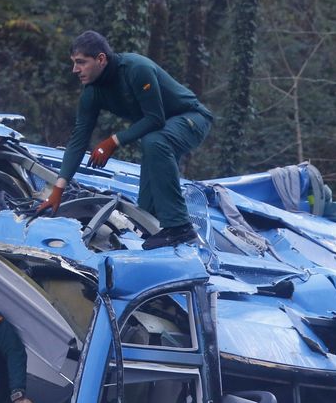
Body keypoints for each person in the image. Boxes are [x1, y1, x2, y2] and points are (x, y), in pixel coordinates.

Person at [38, 30, 213, 249]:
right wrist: (58, 190)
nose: (75, 70)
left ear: (101, 59)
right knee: (146, 210)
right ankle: (165, 236)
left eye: (81, 62)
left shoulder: (136, 69)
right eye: (74, 63)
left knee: (153, 141)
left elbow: (155, 118)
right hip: (159, 134)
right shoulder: (92, 93)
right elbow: (78, 140)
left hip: (192, 119)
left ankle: (180, 227)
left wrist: (112, 142)